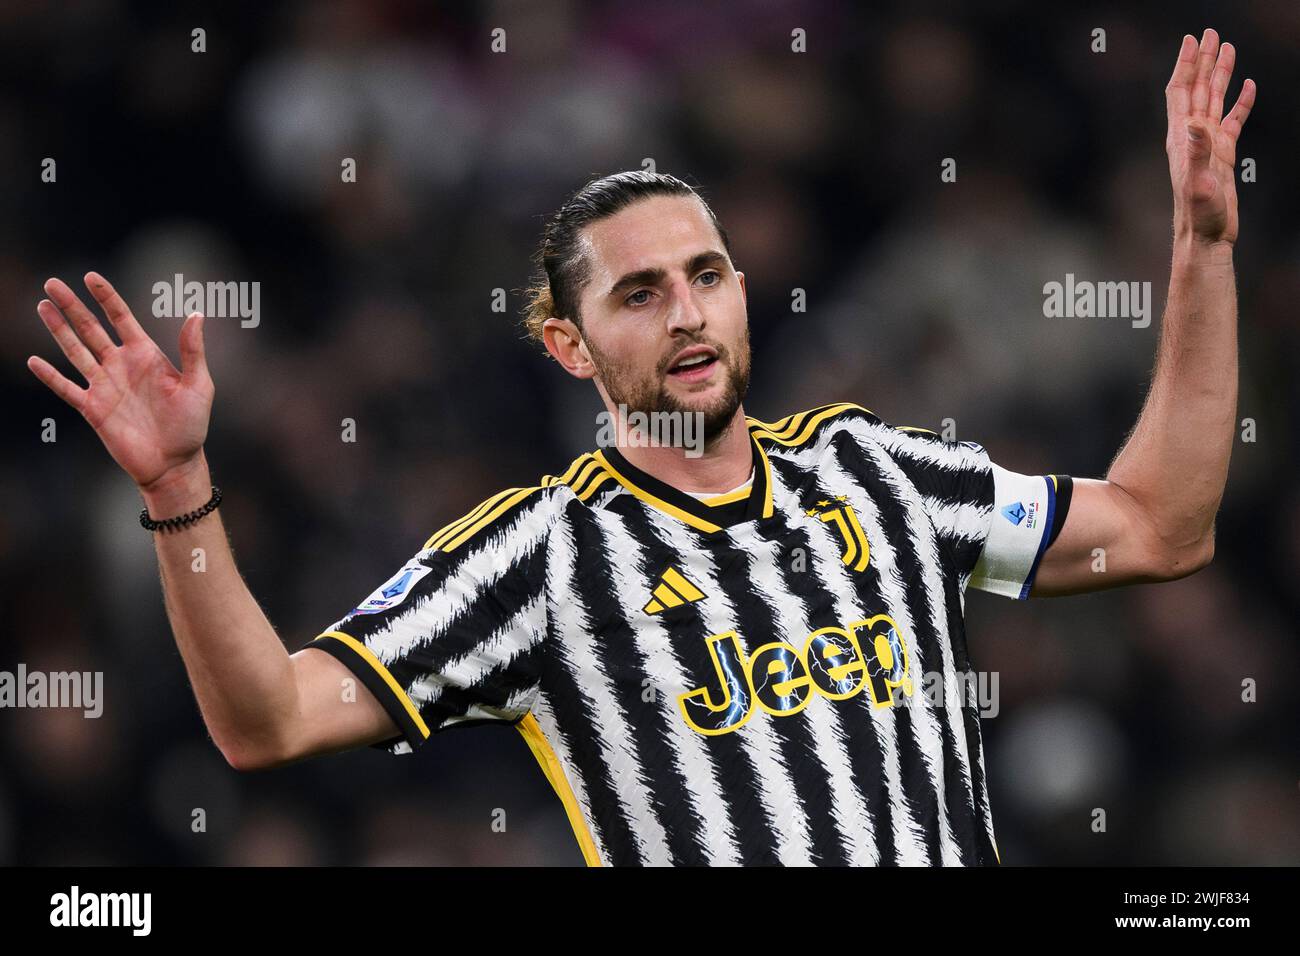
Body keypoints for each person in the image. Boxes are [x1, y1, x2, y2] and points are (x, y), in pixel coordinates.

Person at [25, 29, 1254, 866]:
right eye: (640, 293)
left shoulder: (878, 470)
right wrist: (183, 488)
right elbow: (268, 720)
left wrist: (1199, 250)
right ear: (567, 347)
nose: (686, 312)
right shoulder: (537, 556)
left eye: (707, 275)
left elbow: (1161, 525)